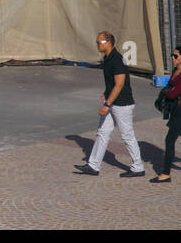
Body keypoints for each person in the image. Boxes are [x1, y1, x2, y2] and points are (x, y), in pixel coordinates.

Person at [75, 31, 144, 177]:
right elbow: (112, 84)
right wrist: (106, 95)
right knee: (102, 133)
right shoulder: (108, 58)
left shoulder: (117, 60)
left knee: (127, 136)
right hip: (112, 101)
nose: (97, 44)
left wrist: (107, 104)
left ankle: (138, 167)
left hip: (122, 104)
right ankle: (93, 166)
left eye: (99, 42)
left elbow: (119, 85)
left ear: (108, 42)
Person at [151, 46, 181, 183]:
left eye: (175, 56)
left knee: (169, 140)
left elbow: (173, 92)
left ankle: (165, 173)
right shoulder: (176, 70)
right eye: (172, 55)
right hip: (176, 110)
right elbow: (170, 87)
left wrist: (165, 93)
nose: (172, 58)